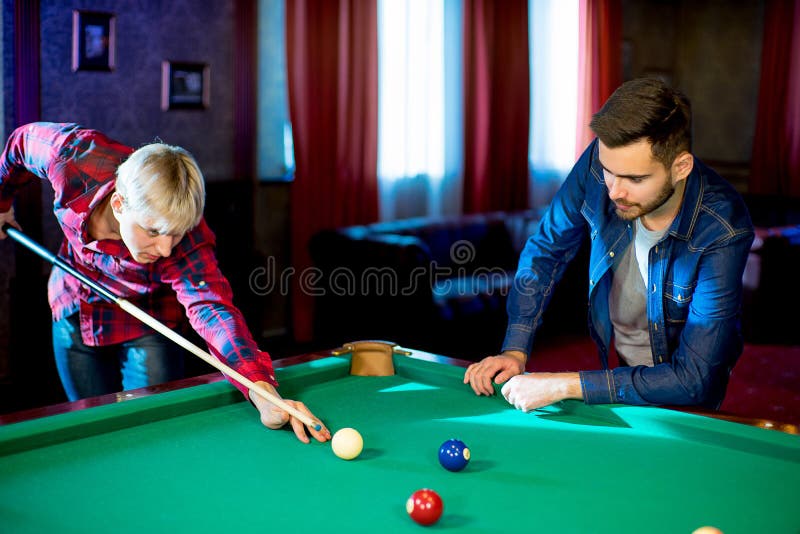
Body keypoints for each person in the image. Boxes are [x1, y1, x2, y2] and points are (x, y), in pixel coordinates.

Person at [0, 122, 330, 444]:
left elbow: (215, 314)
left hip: (150, 318)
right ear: (118, 205)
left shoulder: (189, 241)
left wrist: (263, 393)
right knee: (94, 435)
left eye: (176, 233)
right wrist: (2, 200)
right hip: (77, 302)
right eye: (154, 231)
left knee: (148, 433)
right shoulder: (73, 157)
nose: (166, 248)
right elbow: (22, 141)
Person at [464, 78, 754, 411]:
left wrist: (565, 384)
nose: (614, 190)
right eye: (609, 172)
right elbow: (547, 249)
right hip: (622, 362)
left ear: (681, 167)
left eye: (635, 179)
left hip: (683, 390)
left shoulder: (723, 228)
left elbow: (694, 381)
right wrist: (515, 348)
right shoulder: (601, 164)